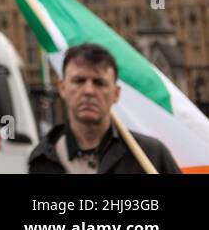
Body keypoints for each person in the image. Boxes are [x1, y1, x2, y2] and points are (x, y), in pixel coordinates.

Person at [28, 43, 181, 174]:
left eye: (99, 83)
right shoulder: (42, 162)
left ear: (116, 93)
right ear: (62, 88)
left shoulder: (151, 156)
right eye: (79, 81)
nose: (89, 91)